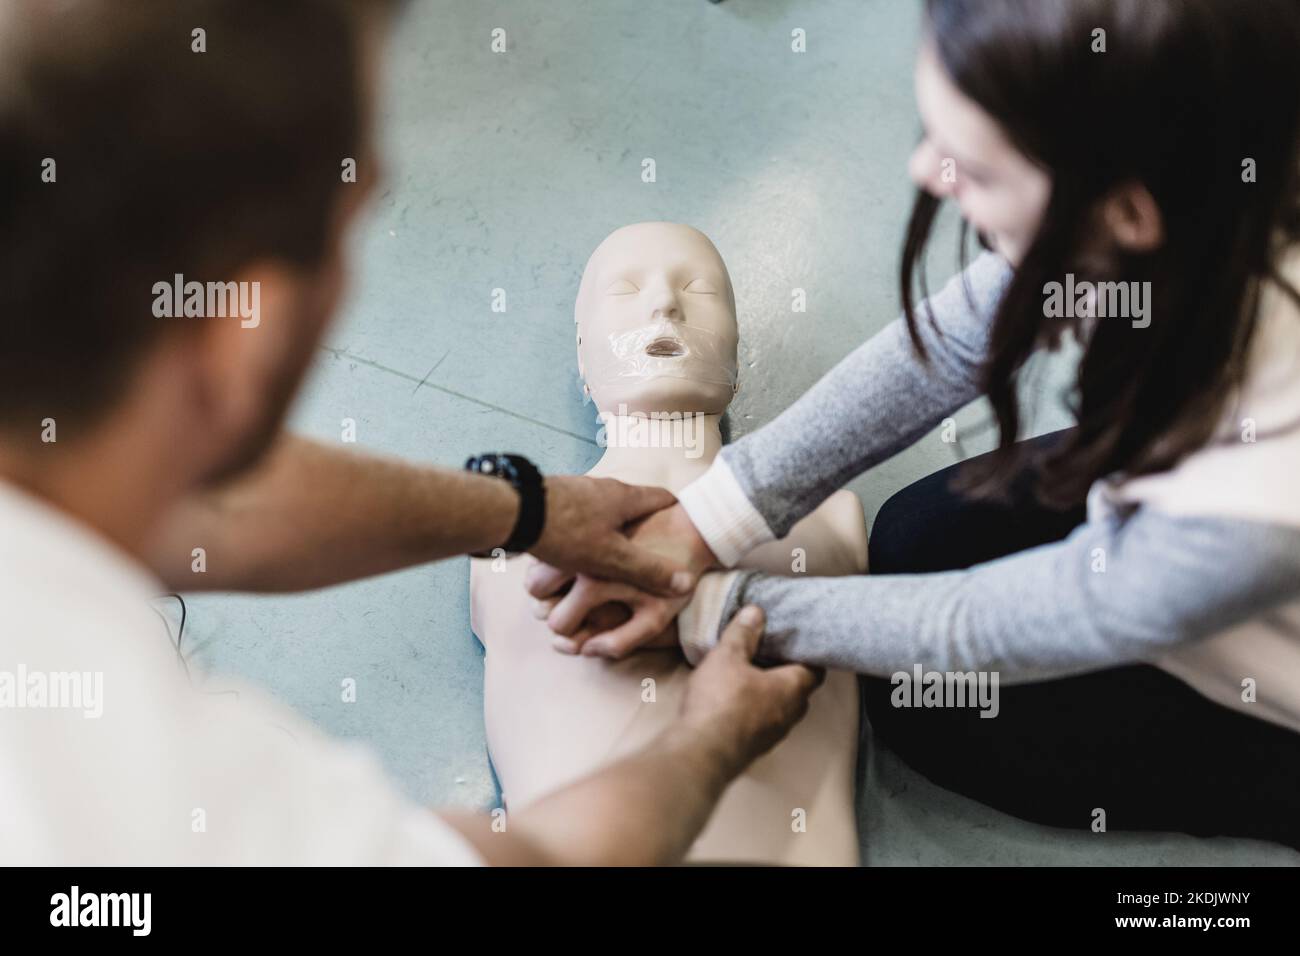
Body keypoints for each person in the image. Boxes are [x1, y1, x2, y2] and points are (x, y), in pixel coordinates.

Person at [0, 0, 818, 865]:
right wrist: (711, 737)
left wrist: (519, 510)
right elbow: (540, 860)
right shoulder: (160, 803)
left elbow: (214, 518)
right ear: (253, 330)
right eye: (353, 214)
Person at [528, 0, 1300, 851]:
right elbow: (960, 336)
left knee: (938, 715)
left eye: (971, 164)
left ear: (1127, 215)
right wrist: (709, 515)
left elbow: (996, 622)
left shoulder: (1254, 502)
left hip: (1258, 640)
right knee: (914, 536)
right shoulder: (1194, 175)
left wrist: (712, 609)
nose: (927, 170)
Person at [474, 222, 866, 865]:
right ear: (582, 353)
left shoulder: (834, 518)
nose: (664, 305)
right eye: (626, 290)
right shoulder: (504, 531)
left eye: (697, 288)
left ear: (736, 351)